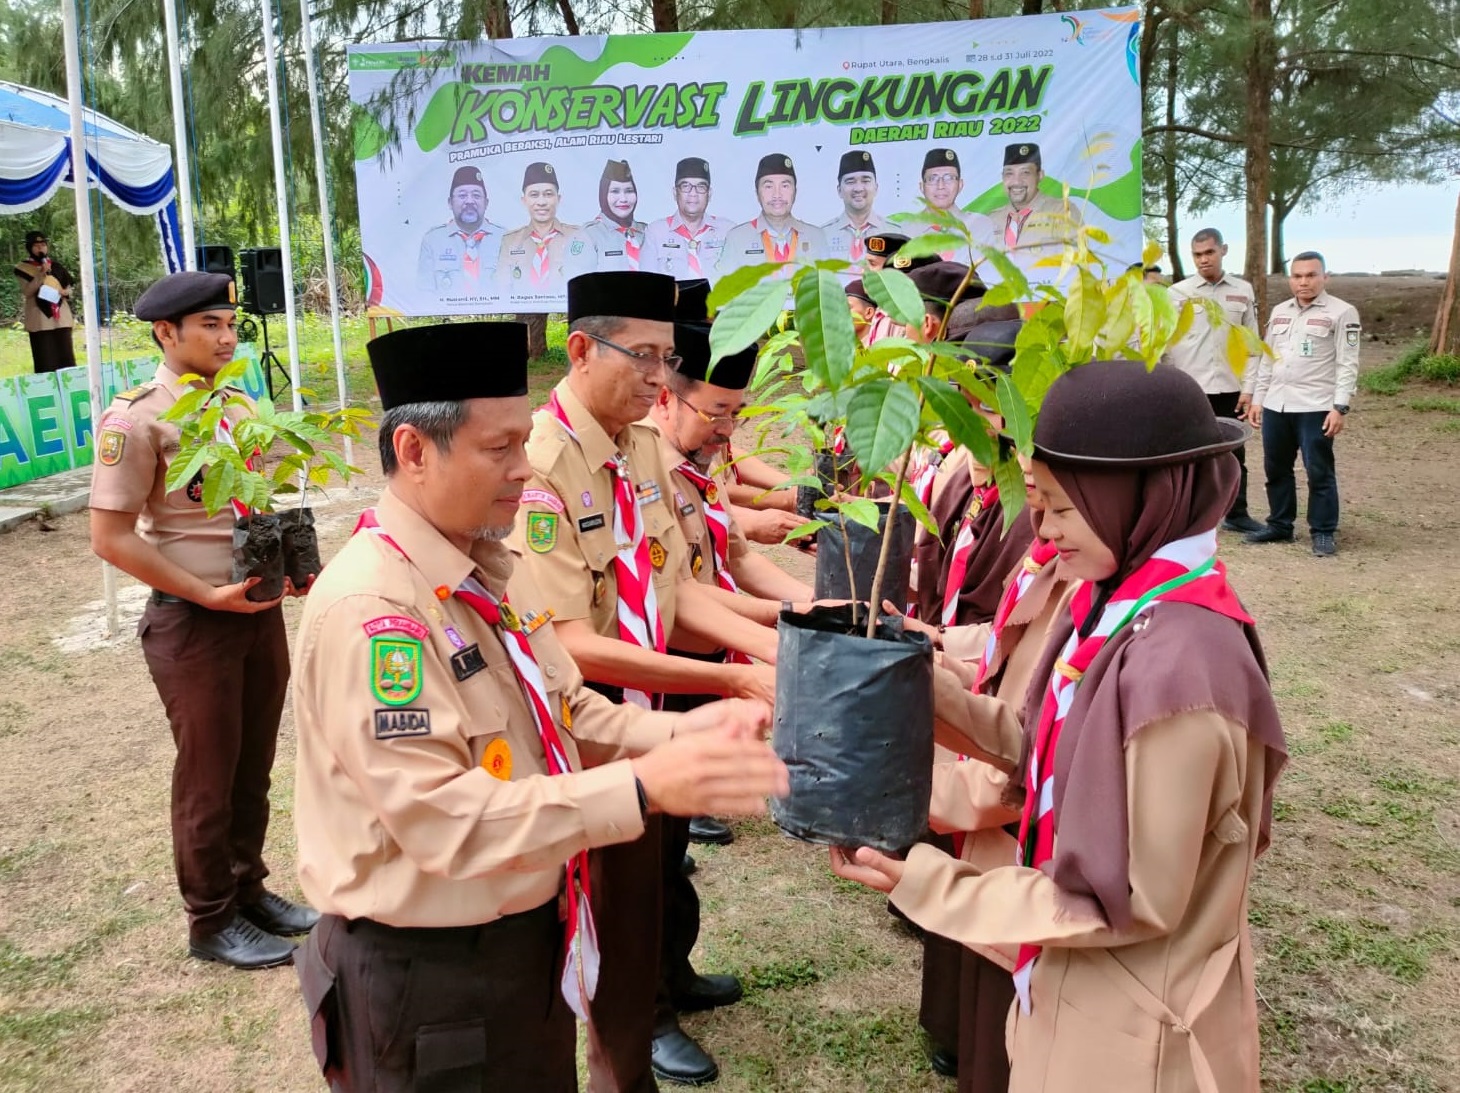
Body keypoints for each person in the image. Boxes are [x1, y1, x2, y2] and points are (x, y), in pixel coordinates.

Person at [290, 319, 789, 1092]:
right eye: (499, 449)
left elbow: (567, 709)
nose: (525, 470)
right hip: (433, 976)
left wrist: (682, 731)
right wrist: (641, 787)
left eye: (524, 443)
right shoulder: (375, 611)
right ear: (414, 451)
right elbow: (443, 818)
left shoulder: (484, 565)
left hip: (521, 945)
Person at [834, 358, 1287, 1093]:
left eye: (1061, 508)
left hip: (1133, 1036)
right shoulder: (1123, 604)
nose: (1041, 531)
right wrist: (914, 680)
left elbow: (1126, 897)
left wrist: (927, 880)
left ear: (1138, 500)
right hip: (1074, 995)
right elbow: (1051, 747)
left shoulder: (1180, 667)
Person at [510, 270, 780, 1091]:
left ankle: (653, 1008)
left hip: (650, 704)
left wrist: (772, 646)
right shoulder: (542, 465)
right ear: (580, 349)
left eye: (667, 357)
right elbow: (573, 646)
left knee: (658, 879)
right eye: (644, 356)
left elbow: (673, 590)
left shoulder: (638, 447)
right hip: (591, 725)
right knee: (615, 916)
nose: (661, 378)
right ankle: (630, 1051)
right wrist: (728, 684)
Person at [88, 271, 316, 969]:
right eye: (210, 325)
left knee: (253, 765)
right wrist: (204, 593)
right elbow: (110, 537)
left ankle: (249, 890)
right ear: (166, 333)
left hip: (255, 611)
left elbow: (255, 502)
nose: (226, 338)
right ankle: (211, 919)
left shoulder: (239, 404)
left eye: (231, 325)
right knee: (208, 776)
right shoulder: (137, 419)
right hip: (193, 622)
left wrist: (291, 563)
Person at [1246, 250, 1361, 556]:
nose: (1304, 282)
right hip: (1277, 405)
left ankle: (1322, 531)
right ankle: (1280, 525)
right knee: (1276, 469)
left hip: (1315, 406)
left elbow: (1347, 363)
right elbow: (1268, 359)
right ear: (1290, 279)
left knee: (1318, 470)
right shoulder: (1280, 311)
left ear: (1325, 277)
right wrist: (1258, 399)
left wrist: (1340, 406)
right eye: (1297, 276)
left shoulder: (1342, 312)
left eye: (1311, 275)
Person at [1162, 228, 1264, 534]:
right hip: (1190, 389)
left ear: (1223, 250)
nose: (1203, 260)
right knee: (1187, 455)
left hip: (1230, 389)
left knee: (1233, 454)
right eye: (1197, 255)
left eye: (1209, 252)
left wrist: (1249, 388)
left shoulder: (1243, 290)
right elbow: (1165, 345)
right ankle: (1186, 517)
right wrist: (1172, 388)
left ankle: (1237, 513)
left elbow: (1253, 344)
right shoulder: (1177, 293)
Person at [717, 154, 828, 278]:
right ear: (757, 193)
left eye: (785, 186)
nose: (777, 195)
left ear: (795, 192)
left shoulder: (817, 237)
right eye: (768, 186)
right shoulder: (737, 238)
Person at [984, 144, 1083, 273]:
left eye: (1025, 172)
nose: (1016, 181)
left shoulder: (1062, 212)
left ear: (1040, 175)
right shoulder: (990, 220)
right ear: (1002, 177)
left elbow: (1076, 266)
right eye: (1009, 173)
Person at [416, 164, 506, 295]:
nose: (469, 201)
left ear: (486, 203)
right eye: (462, 195)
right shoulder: (433, 240)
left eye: (476, 195)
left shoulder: (505, 239)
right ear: (450, 203)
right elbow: (425, 293)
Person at [642, 157, 732, 281]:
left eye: (701, 187)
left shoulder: (728, 231)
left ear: (709, 194)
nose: (693, 193)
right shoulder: (656, 232)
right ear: (675, 193)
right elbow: (647, 283)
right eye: (685, 186)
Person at [497, 161, 578, 297]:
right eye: (534, 195)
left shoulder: (577, 236)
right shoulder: (510, 242)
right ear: (524, 200)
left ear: (558, 199)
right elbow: (502, 290)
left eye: (548, 194)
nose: (541, 202)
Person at [566, 160, 648, 276]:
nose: (623, 199)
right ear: (603, 194)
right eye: (615, 191)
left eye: (629, 191)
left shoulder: (648, 233)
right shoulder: (588, 236)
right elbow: (579, 282)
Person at [13, 230, 77, 373]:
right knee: (46, 360)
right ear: (30, 248)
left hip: (61, 318)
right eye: (36, 246)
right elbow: (28, 292)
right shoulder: (23, 268)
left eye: (43, 245)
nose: (40, 248)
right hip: (40, 320)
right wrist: (41, 273)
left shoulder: (56, 266)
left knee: (67, 359)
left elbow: (69, 288)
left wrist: (66, 292)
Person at [916, 149, 994, 260]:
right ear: (921, 186)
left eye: (949, 178)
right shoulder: (905, 230)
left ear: (960, 185)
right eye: (932, 179)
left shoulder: (981, 226)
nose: (941, 186)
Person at [821, 150, 891, 266]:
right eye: (850, 181)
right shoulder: (822, 236)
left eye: (865, 181)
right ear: (839, 190)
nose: (858, 188)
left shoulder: (894, 233)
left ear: (876, 188)